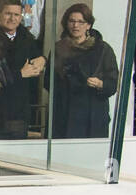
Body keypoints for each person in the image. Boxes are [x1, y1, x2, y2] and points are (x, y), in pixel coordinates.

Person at [48, 3, 118, 139]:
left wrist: (100, 84)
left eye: (81, 22)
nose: (76, 25)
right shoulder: (58, 49)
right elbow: (48, 82)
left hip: (92, 118)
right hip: (65, 116)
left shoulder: (103, 49)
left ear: (88, 25)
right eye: (72, 21)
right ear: (66, 23)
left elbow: (113, 84)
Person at [0, 1, 43, 139]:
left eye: (16, 14)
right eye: (8, 13)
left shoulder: (26, 38)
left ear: (21, 17)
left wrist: (43, 59)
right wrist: (21, 74)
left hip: (19, 110)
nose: (12, 18)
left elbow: (37, 57)